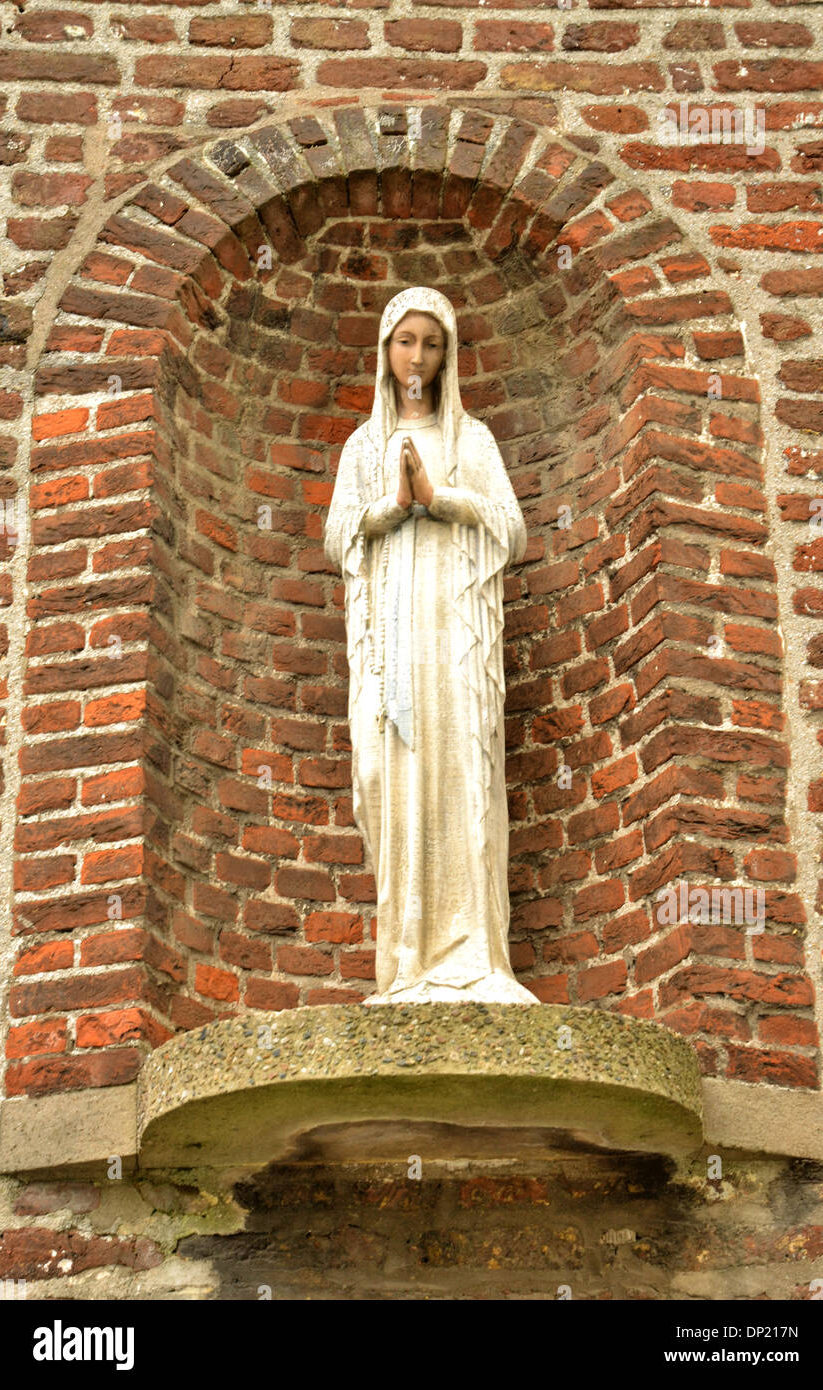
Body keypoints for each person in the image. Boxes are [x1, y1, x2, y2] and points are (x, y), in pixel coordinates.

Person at [323, 287, 536, 1005]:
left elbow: (511, 528)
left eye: (432, 342)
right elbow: (336, 533)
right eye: (406, 340)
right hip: (391, 638)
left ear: (448, 355)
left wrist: (439, 498)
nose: (418, 355)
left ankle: (473, 953)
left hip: (454, 638)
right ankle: (406, 963)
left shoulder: (470, 439)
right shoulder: (363, 445)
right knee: (387, 777)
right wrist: (393, 505)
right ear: (386, 351)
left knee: (457, 767)